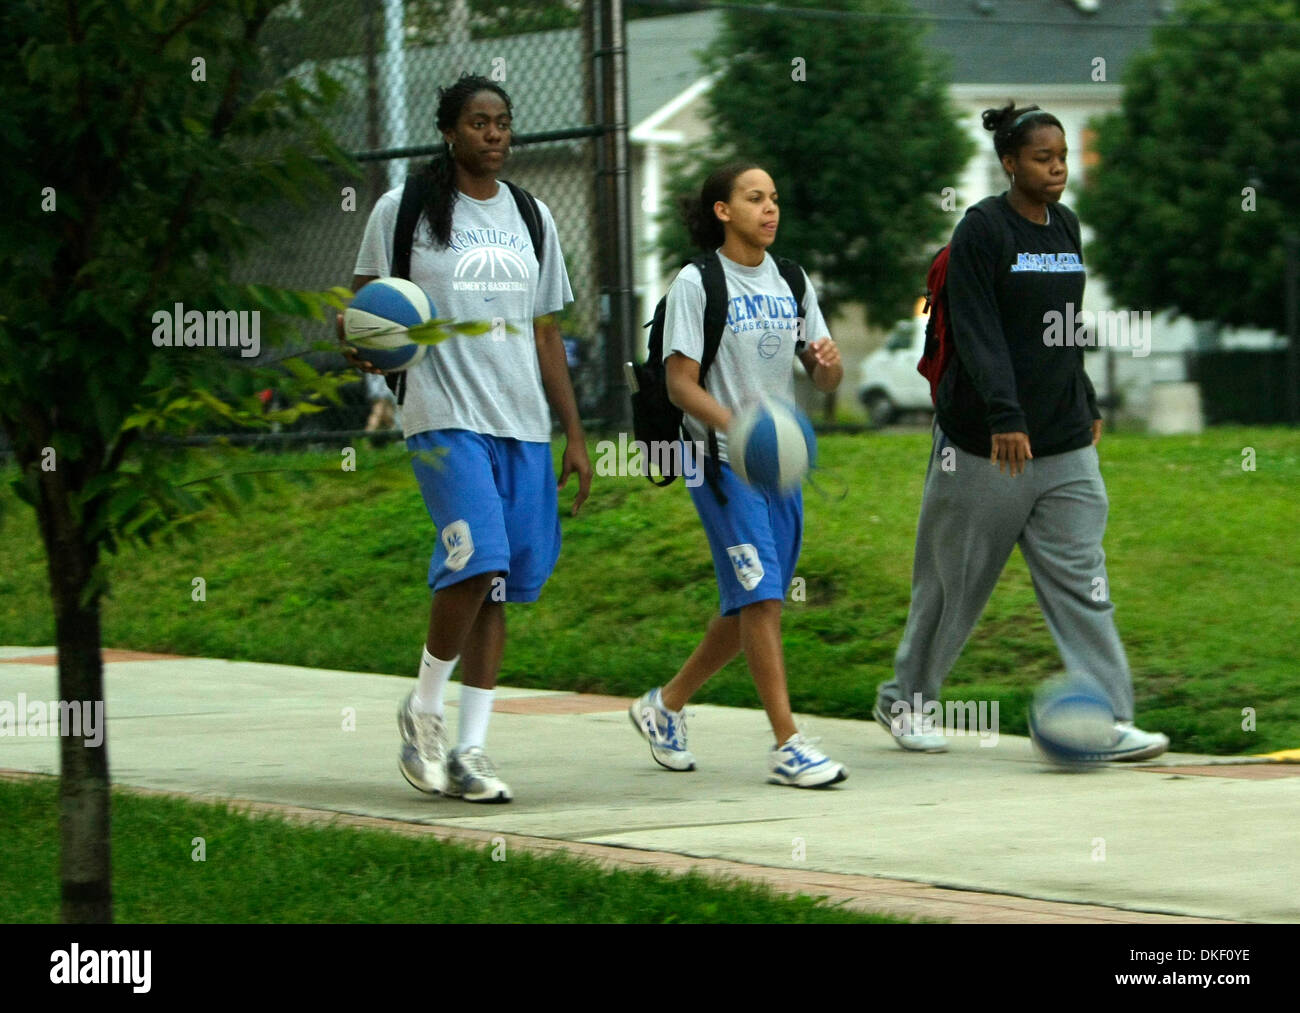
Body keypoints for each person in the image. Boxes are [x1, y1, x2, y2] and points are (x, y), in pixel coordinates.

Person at [873, 102, 1168, 761]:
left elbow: (1066, 327)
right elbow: (977, 329)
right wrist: (1005, 414)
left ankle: (1107, 715)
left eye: (1062, 156)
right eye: (1043, 157)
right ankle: (906, 700)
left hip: (1062, 441)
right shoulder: (983, 230)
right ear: (1010, 163)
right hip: (986, 444)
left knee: (1083, 579)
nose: (1058, 167)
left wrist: (1084, 397)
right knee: (954, 582)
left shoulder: (1065, 226)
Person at [341, 74, 592, 802]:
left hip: (521, 421)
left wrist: (574, 434)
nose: (495, 134)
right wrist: (357, 339)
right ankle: (423, 709)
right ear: (450, 131)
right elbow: (366, 306)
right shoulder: (405, 208)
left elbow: (547, 332)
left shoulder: (532, 214)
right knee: (476, 557)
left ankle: (472, 749)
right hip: (442, 413)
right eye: (480, 122)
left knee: (499, 586)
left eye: (504, 122)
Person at [628, 163, 848, 788]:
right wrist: (739, 428)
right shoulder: (698, 283)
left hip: (779, 469)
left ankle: (664, 706)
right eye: (755, 199)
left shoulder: (792, 280)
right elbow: (678, 385)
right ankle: (788, 743)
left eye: (774, 198)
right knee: (763, 597)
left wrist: (829, 365)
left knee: (750, 602)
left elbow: (825, 379)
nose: (770, 209)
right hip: (721, 464)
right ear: (723, 211)